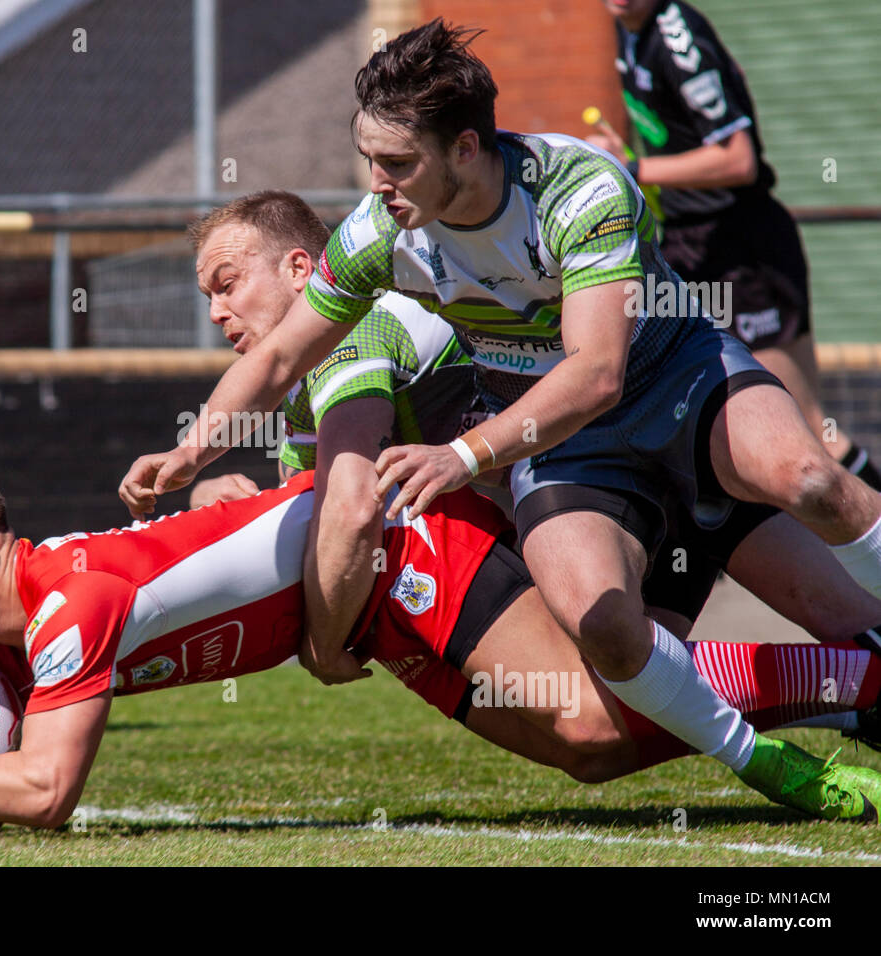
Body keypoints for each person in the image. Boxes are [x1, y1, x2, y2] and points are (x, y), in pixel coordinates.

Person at [117, 20, 881, 819]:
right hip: (570, 449)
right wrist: (192, 451)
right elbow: (276, 363)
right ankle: (767, 764)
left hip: (678, 385)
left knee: (810, 479)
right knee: (608, 635)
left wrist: (461, 454)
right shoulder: (383, 234)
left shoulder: (577, 187)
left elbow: (596, 371)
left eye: (398, 163)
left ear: (466, 148)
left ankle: (857, 686)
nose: (377, 184)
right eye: (371, 160)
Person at [185, 190, 881, 750]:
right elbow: (306, 517)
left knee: (846, 616)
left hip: (651, 448)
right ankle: (855, 700)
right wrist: (220, 496)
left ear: (301, 271)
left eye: (228, 284)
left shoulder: (357, 334)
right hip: (603, 501)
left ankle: (859, 689)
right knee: (614, 708)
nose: (217, 313)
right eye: (208, 297)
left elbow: (347, 508)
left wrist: (324, 645)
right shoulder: (310, 392)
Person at [0, 458, 881, 829]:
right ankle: (842, 695)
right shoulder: (28, 623)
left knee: (581, 705)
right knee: (593, 747)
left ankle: (858, 670)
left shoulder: (70, 606)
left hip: (398, 547)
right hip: (371, 608)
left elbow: (45, 794)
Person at [588, 0, 881, 488]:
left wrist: (632, 171)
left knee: (808, 431)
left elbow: (737, 159)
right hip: (688, 250)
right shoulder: (626, 27)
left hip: (740, 253)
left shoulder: (678, 40)